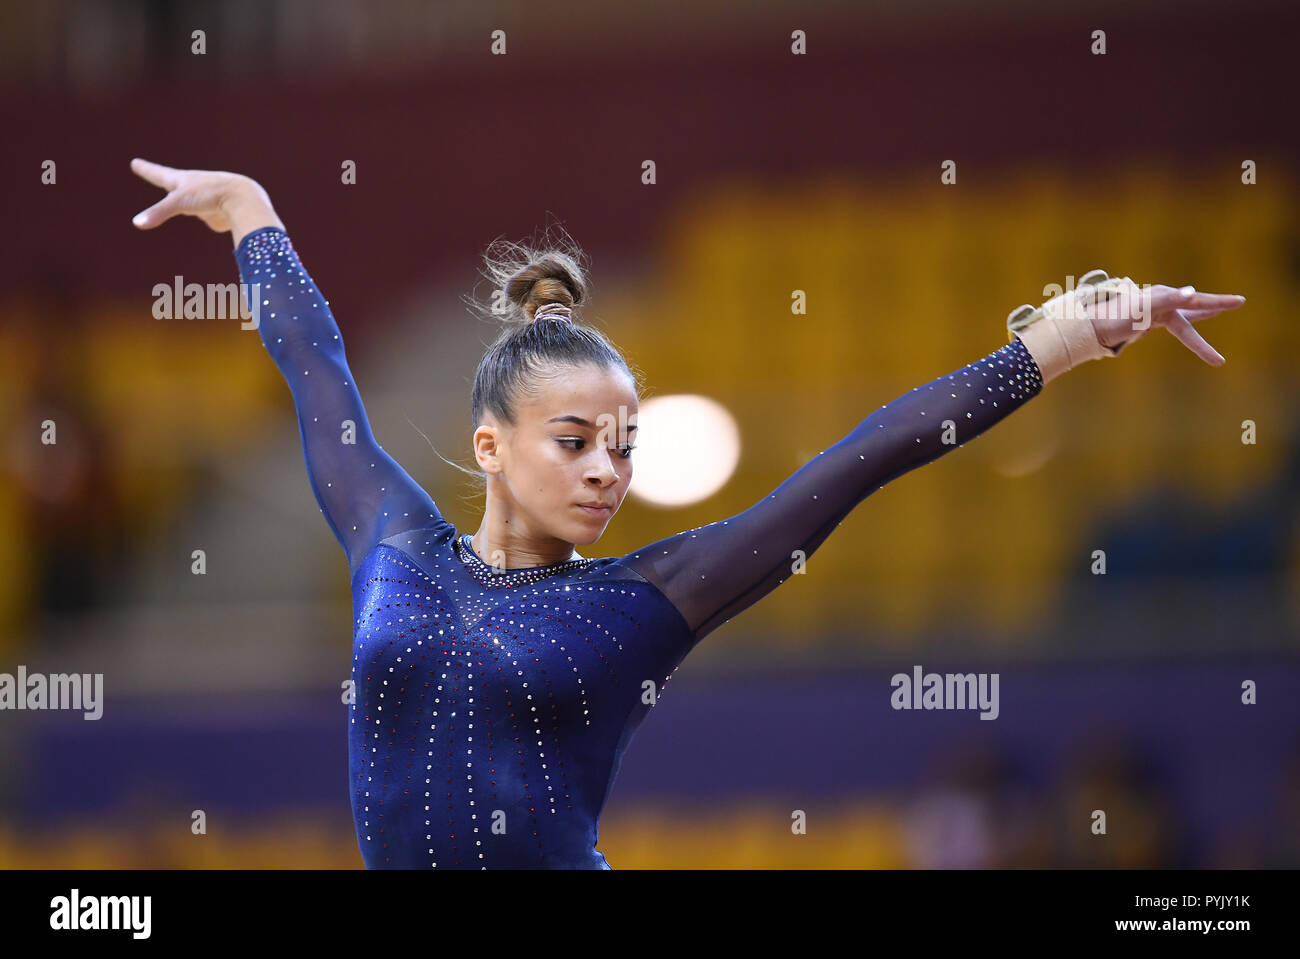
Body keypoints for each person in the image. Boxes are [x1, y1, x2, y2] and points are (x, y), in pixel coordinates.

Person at [129, 158, 1246, 868]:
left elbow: (861, 459)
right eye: (574, 443)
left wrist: (1066, 336)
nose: (608, 471)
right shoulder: (391, 538)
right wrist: (251, 215)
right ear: (491, 448)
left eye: (624, 446)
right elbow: (314, 370)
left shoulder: (647, 599)